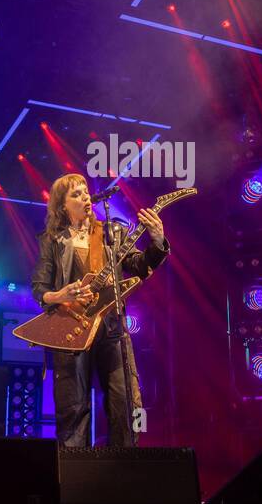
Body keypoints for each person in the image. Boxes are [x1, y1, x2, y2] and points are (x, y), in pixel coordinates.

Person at [32, 174, 170, 448]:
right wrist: (61, 294)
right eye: (76, 194)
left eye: (86, 191)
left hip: (111, 327)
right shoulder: (52, 240)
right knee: (72, 407)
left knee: (125, 401)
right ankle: (74, 478)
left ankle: (125, 473)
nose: (85, 197)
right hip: (71, 330)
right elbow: (40, 288)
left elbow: (140, 266)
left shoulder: (112, 233)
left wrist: (157, 242)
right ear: (61, 206)